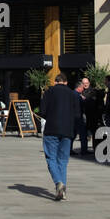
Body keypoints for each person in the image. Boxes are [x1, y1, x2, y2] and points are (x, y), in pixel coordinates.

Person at [39, 71, 79, 201]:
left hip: (51, 129)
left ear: (55, 82)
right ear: (66, 82)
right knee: (63, 160)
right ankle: (63, 189)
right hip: (67, 131)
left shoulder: (49, 92)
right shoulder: (73, 94)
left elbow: (42, 112)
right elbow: (77, 114)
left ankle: (58, 183)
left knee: (51, 158)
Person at [73, 76, 91, 155]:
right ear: (79, 87)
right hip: (79, 117)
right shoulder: (78, 96)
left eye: (86, 84)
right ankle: (84, 150)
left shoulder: (72, 94)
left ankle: (70, 149)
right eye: (83, 85)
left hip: (74, 117)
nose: (83, 88)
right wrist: (84, 100)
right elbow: (83, 105)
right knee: (83, 134)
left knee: (73, 134)